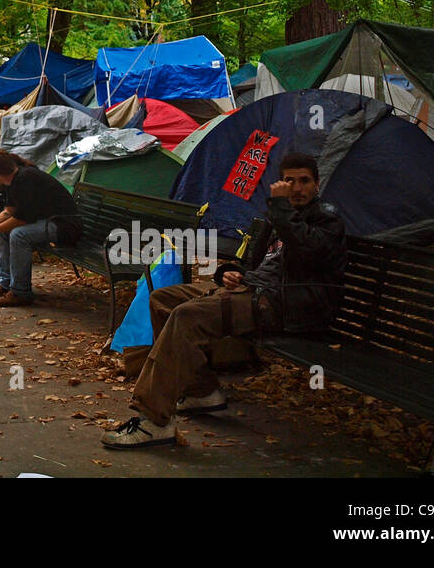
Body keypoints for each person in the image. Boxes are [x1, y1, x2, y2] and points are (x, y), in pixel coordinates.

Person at [102, 151, 348, 449]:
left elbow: (307, 250)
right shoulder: (279, 218)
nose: (296, 188)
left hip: (289, 308)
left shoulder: (327, 221)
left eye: (304, 181)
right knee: (163, 299)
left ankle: (155, 421)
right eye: (288, 180)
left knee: (187, 315)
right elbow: (257, 265)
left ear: (317, 184)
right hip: (255, 293)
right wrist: (231, 274)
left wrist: (281, 209)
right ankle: (203, 392)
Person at [0, 149, 77, 306]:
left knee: (19, 235)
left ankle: (20, 292)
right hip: (47, 222)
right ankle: (6, 283)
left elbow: (22, 219)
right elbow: (9, 211)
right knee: (3, 233)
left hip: (64, 226)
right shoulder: (13, 179)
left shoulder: (26, 178)